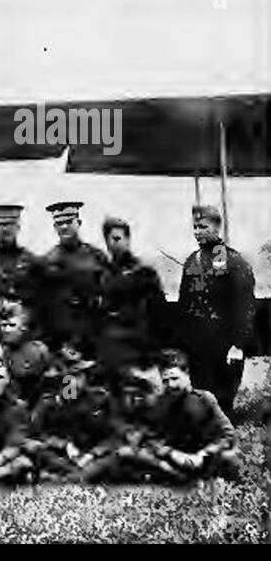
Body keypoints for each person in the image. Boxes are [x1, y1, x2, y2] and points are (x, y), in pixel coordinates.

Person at [177, 205, 256, 416]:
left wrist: (238, 344)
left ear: (216, 228)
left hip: (224, 345)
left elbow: (244, 306)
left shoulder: (234, 261)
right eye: (195, 227)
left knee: (222, 401)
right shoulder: (192, 261)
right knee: (200, 399)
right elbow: (185, 303)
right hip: (197, 344)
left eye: (203, 227)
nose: (197, 232)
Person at [142, 349, 240, 481]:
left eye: (175, 378)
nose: (171, 385)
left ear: (186, 374)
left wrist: (204, 454)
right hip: (175, 461)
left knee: (230, 459)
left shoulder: (205, 398)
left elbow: (228, 434)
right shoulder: (161, 404)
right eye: (165, 381)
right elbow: (150, 437)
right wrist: (170, 452)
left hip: (205, 460)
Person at [32, 201, 110, 350]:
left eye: (68, 222)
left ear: (78, 223)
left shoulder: (96, 256)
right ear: (55, 227)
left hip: (93, 335)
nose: (64, 227)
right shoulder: (47, 262)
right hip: (61, 340)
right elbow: (42, 308)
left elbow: (108, 293)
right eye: (59, 223)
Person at [27, 359, 120, 481]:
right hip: (56, 455)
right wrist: (62, 444)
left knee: (110, 458)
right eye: (71, 377)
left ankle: (68, 478)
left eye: (80, 376)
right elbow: (34, 434)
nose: (76, 383)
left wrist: (90, 455)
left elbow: (112, 435)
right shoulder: (48, 403)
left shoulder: (98, 401)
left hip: (89, 456)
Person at [98, 216, 167, 377]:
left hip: (140, 344)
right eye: (109, 239)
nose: (113, 243)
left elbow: (159, 312)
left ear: (128, 240)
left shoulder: (143, 272)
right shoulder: (104, 274)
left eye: (117, 238)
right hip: (113, 346)